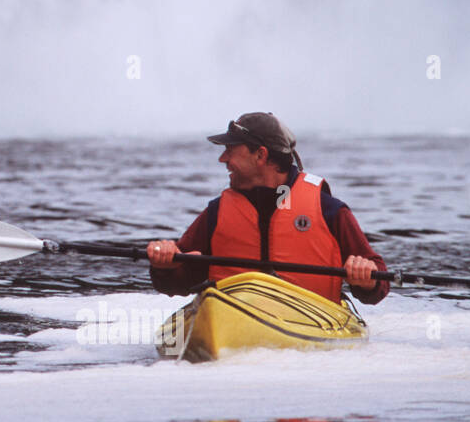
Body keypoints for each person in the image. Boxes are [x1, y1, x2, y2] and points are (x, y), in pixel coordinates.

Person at [147, 113, 388, 306]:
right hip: (231, 317)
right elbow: (177, 284)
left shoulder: (329, 210)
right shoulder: (217, 212)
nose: (223, 159)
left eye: (231, 150)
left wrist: (366, 278)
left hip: (311, 320)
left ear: (260, 155)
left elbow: (378, 285)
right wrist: (165, 266)